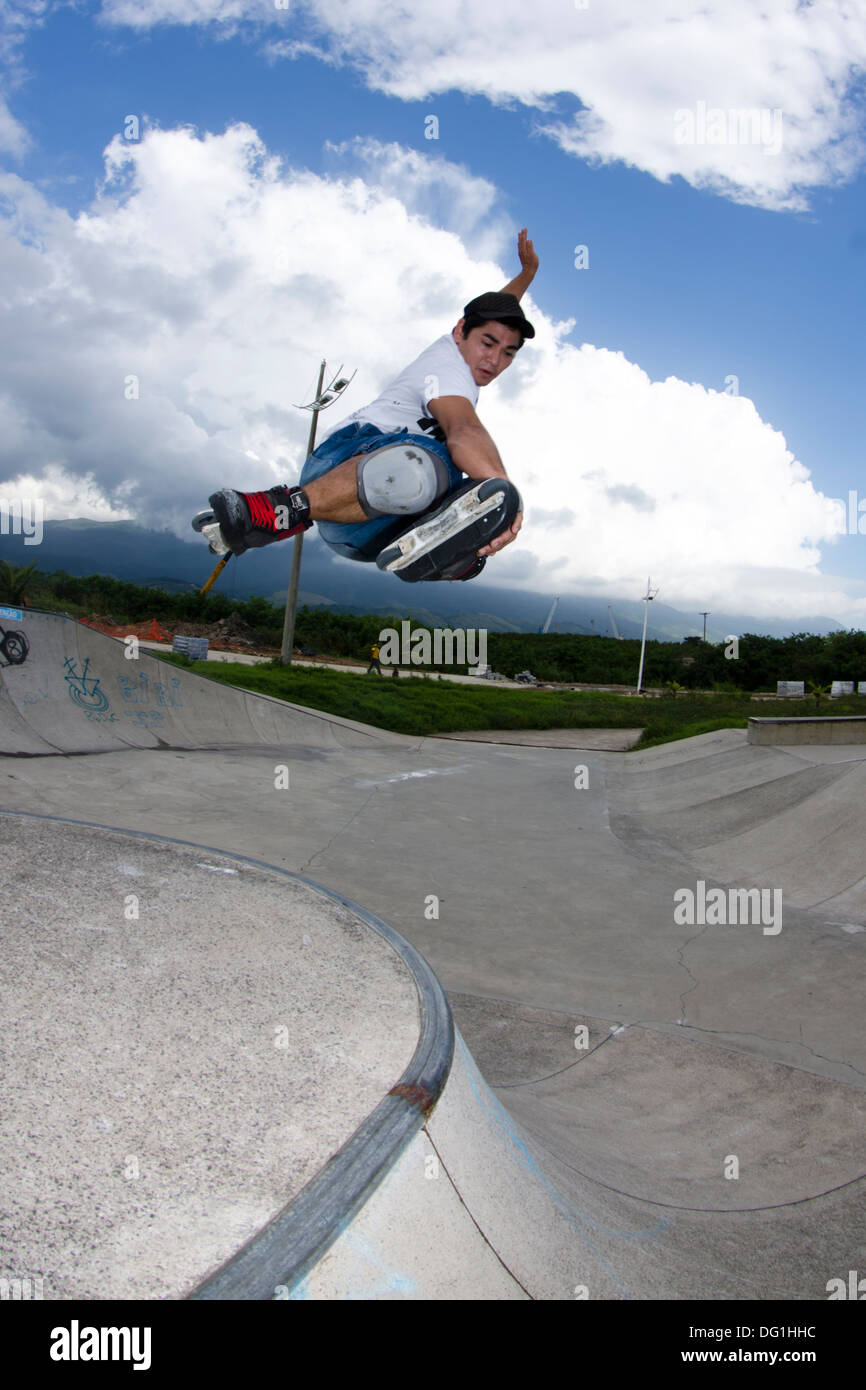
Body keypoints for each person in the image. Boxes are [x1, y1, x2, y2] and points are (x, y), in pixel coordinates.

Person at [202, 229, 538, 583]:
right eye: (488, 344)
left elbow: (494, 314)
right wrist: (505, 496)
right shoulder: (448, 368)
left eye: (508, 353)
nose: (494, 360)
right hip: (346, 461)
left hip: (362, 531)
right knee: (435, 462)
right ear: (460, 331)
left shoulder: (471, 338)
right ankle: (275, 508)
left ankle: (431, 548)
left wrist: (525, 277)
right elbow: (463, 430)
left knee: (460, 493)